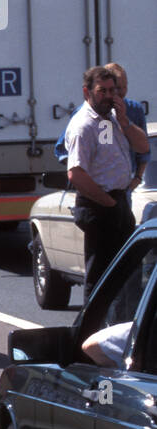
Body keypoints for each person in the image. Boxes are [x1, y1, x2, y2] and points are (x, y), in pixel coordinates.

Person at [63, 65, 149, 297]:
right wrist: (108, 203)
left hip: (118, 201)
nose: (110, 96)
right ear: (87, 92)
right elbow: (76, 173)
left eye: (113, 91)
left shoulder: (107, 119)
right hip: (100, 205)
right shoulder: (84, 125)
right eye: (103, 91)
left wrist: (125, 122)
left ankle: (121, 324)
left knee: (125, 273)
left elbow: (142, 146)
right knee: (100, 276)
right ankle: (90, 329)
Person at [55, 62, 150, 198]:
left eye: (124, 87)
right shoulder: (88, 118)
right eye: (116, 89)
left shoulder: (124, 111)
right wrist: (102, 195)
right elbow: (66, 154)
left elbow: (138, 150)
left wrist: (137, 178)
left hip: (123, 193)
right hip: (100, 197)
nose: (121, 92)